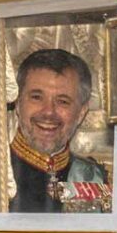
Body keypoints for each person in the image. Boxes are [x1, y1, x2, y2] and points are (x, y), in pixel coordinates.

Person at [8, 49, 108, 213]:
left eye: (62, 101)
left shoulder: (95, 179)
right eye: (37, 97)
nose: (48, 112)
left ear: (81, 112)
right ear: (18, 104)